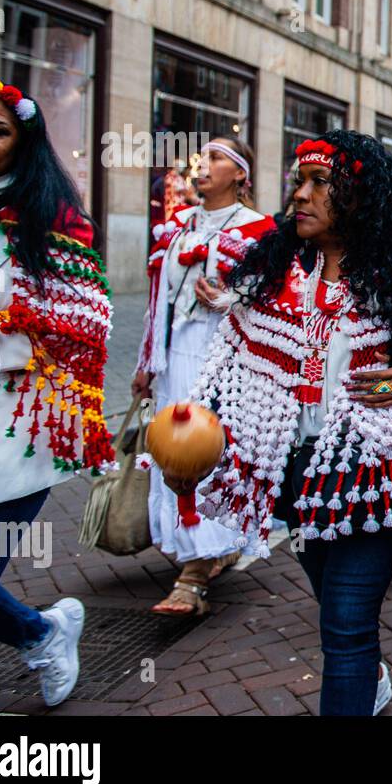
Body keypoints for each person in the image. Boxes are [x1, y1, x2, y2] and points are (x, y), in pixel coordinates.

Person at [167, 130, 392, 716]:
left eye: (320, 184)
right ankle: (370, 671)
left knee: (344, 620)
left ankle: (357, 668)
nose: (301, 196)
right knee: (335, 608)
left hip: (375, 471)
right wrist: (198, 444)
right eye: (299, 182)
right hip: (294, 474)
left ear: (360, 196)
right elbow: (236, 361)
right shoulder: (270, 270)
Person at [0, 75, 116, 714]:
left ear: (22, 143)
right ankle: (43, 633)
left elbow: (79, 328)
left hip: (7, 429)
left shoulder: (51, 219)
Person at [132, 138, 275, 615]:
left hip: (227, 359)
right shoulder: (177, 228)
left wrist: (231, 301)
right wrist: (144, 365)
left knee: (209, 450)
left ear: (240, 174)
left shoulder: (260, 231)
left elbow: (276, 301)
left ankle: (193, 576)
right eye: (202, 158)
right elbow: (159, 303)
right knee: (174, 448)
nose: (203, 166)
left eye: (216, 159)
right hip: (176, 356)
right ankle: (200, 547)